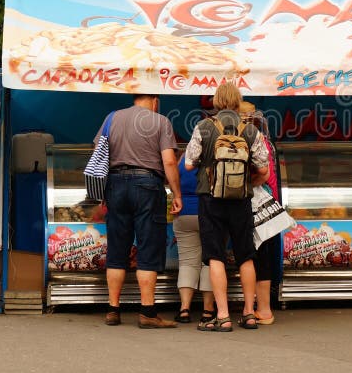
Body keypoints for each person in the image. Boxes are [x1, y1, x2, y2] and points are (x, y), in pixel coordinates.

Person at [184, 83, 269, 332]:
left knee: (215, 256)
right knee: (245, 255)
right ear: (237, 101)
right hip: (241, 200)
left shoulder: (203, 127)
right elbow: (263, 169)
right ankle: (249, 313)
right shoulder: (251, 130)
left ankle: (222, 315)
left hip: (210, 199)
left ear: (216, 101)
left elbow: (189, 164)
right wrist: (249, 183)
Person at [96, 93, 182, 328]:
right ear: (154, 99)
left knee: (117, 247)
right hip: (147, 185)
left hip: (115, 185)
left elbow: (99, 153)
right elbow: (170, 162)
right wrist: (177, 194)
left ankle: (113, 309)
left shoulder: (111, 118)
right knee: (148, 246)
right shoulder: (160, 121)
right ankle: (147, 312)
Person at [239, 101, 278, 326]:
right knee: (262, 255)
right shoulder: (267, 141)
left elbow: (262, 174)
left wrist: (243, 185)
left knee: (254, 256)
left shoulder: (251, 139)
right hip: (269, 202)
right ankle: (261, 308)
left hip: (254, 203)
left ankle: (260, 308)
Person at [172, 153, 216, 325]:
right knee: (210, 261)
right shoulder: (217, 153)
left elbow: (173, 179)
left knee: (187, 262)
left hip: (184, 213)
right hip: (211, 213)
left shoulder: (183, 157)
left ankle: (184, 309)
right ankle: (207, 310)